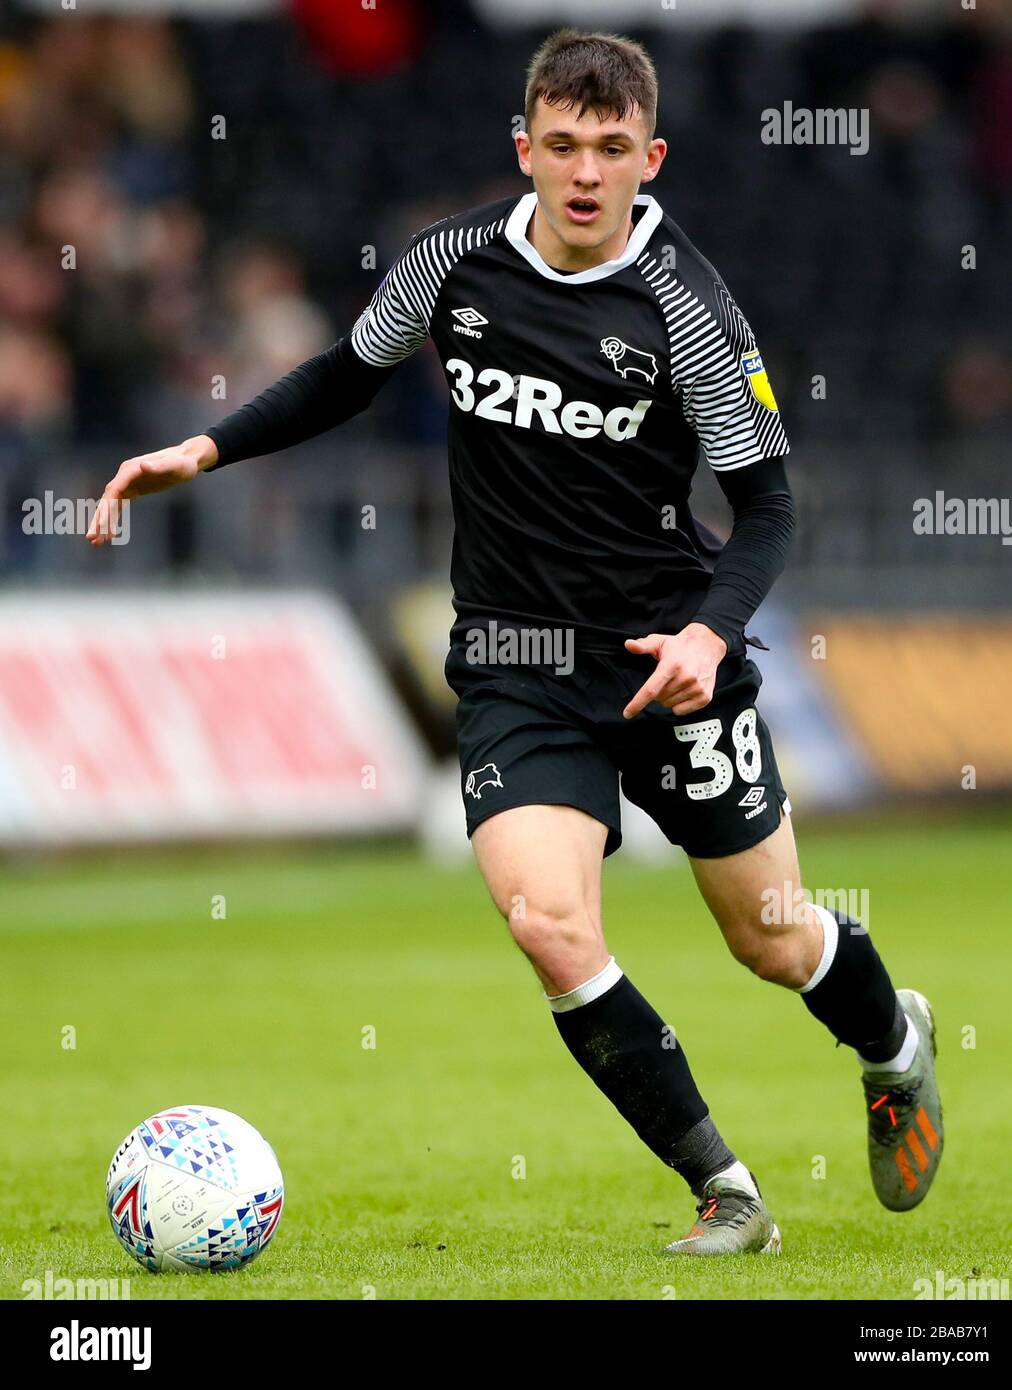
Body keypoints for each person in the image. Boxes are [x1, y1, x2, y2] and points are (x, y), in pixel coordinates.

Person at [88, 27, 943, 1256]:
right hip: (513, 664)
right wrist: (204, 448)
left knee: (769, 937)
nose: (584, 172)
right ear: (523, 148)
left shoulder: (686, 307)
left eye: (609, 149)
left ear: (649, 156)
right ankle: (727, 1191)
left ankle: (891, 1040)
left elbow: (767, 506)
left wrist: (710, 631)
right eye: (560, 145)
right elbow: (345, 371)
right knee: (548, 922)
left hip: (666, 661)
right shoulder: (452, 263)